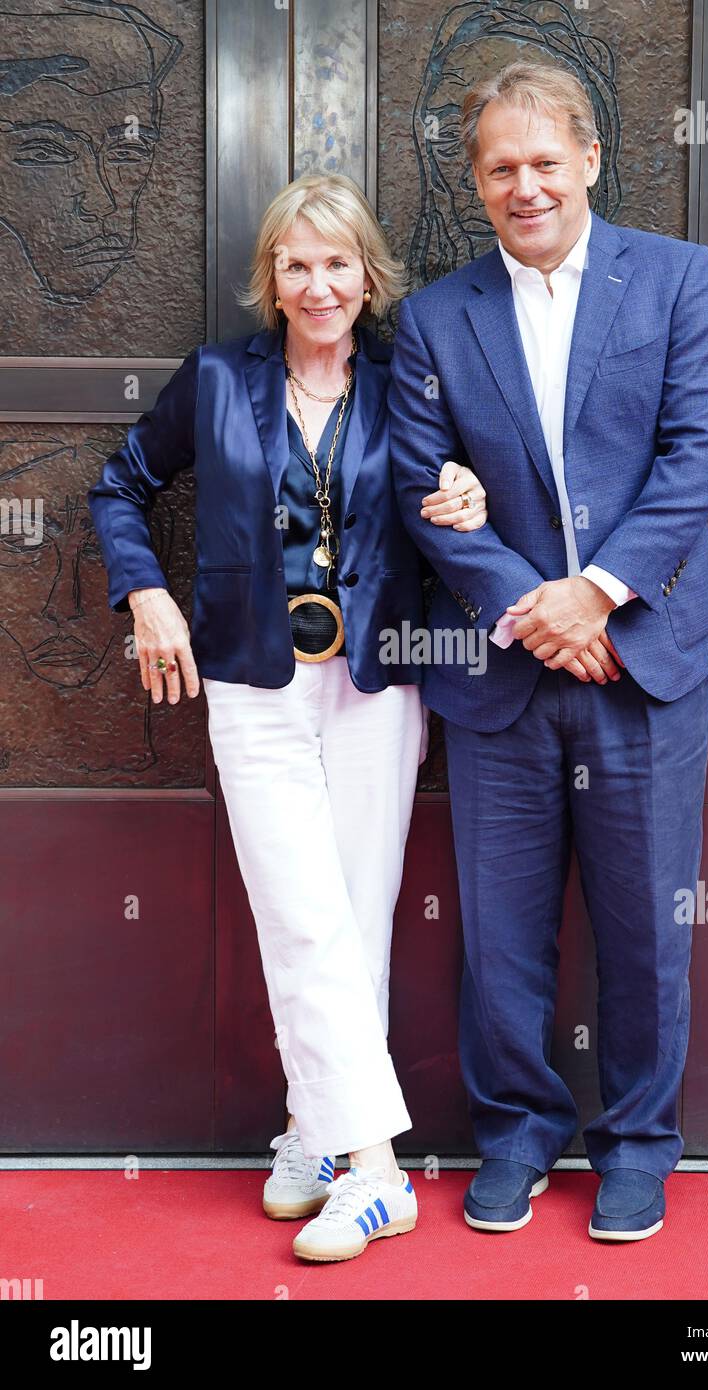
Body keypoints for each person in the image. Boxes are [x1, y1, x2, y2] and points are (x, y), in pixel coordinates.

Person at [87, 172, 488, 1264]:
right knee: (300, 912)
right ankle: (376, 1175)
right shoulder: (217, 379)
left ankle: (313, 1130)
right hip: (253, 683)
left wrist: (464, 492)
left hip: (377, 681)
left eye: (338, 263)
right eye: (297, 265)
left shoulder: (412, 378)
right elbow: (119, 485)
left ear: (368, 275)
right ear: (272, 277)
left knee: (352, 917)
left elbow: (467, 484)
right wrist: (147, 591)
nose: (319, 285)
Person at [388, 61, 708, 1241]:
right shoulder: (439, 317)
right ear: (478, 181)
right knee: (499, 930)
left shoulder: (679, 278)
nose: (524, 185)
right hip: (501, 670)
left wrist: (592, 596)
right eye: (500, 167)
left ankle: (638, 1146)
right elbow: (417, 483)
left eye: (545, 162)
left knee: (646, 921)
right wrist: (533, 608)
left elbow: (697, 452)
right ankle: (515, 1135)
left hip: (644, 655)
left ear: (590, 160)